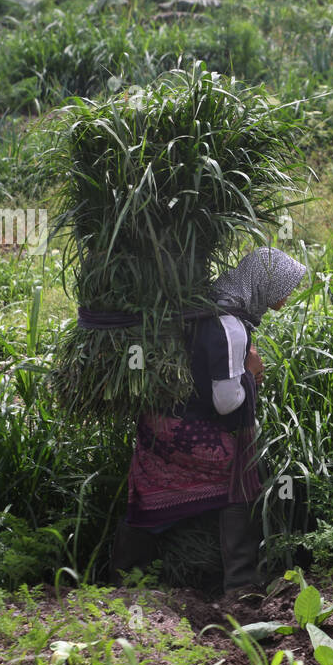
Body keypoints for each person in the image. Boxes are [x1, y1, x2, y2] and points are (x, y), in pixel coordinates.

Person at [108, 246, 307, 593]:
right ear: (263, 284)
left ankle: (123, 577)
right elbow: (227, 403)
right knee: (243, 480)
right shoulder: (230, 326)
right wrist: (250, 373)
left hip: (156, 428)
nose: (287, 295)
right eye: (284, 286)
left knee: (148, 497)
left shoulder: (199, 304)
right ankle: (241, 586)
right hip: (193, 438)